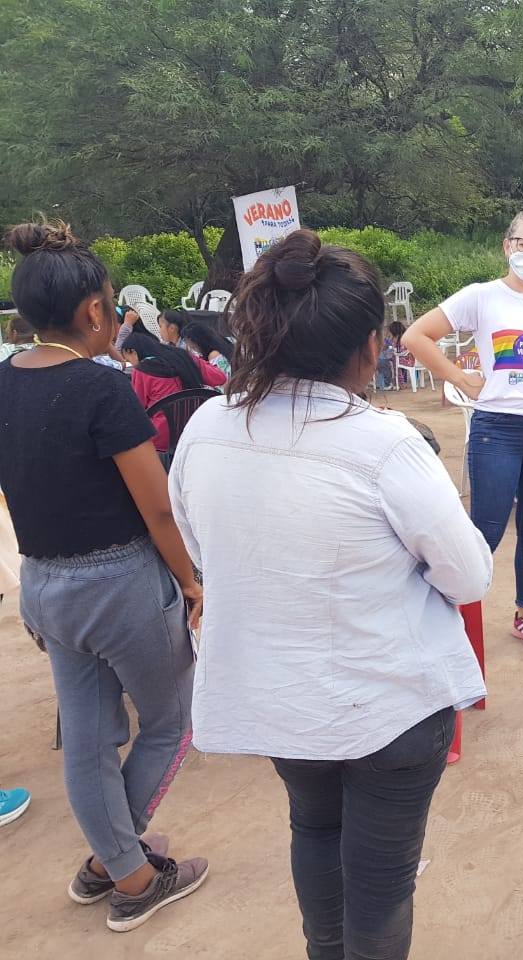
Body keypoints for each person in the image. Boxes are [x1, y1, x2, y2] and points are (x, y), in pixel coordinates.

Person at [168, 229, 490, 960]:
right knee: (381, 882)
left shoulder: (208, 427)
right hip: (391, 708)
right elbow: (468, 576)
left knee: (313, 829)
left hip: (281, 702)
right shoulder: (384, 444)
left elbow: (198, 545)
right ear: (373, 348)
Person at [0, 221, 206, 932]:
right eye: (113, 305)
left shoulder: (2, 383)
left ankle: (117, 866)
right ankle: (127, 871)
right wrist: (193, 583)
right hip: (120, 587)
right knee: (172, 722)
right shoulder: (101, 388)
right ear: (94, 312)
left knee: (88, 740)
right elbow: (156, 508)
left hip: (46, 585)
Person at [402, 210, 523, 651]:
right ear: (508, 246)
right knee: (484, 532)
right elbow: (417, 336)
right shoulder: (481, 296)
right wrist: (458, 376)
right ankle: (444, 614)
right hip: (497, 431)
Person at [121, 333, 227, 457]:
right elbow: (219, 378)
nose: (131, 364)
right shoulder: (185, 358)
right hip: (195, 430)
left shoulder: (143, 370)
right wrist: (201, 363)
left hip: (160, 437)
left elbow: (139, 407)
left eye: (128, 359)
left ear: (133, 352)